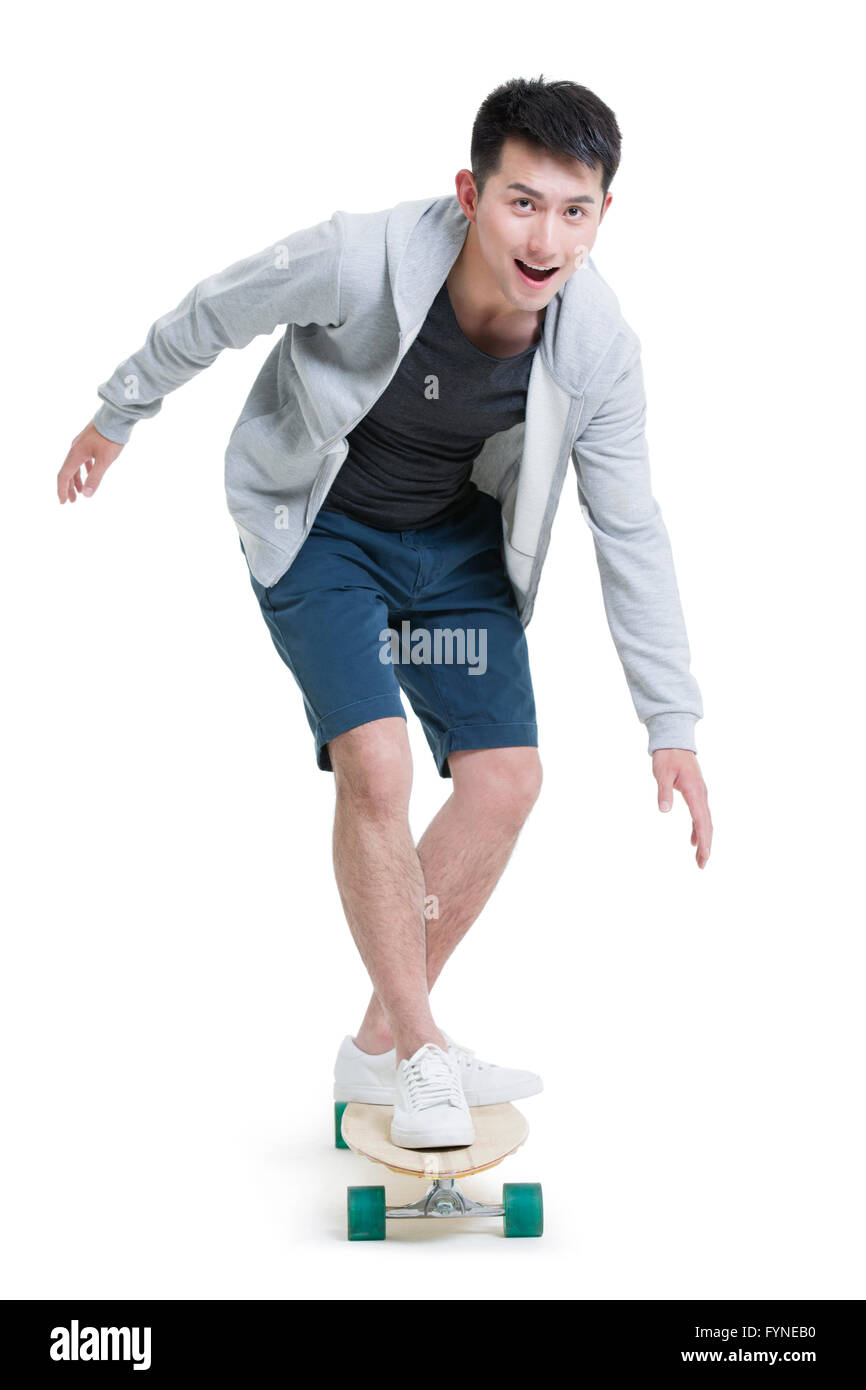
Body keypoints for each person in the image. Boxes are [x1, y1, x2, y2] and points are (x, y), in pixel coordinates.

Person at [56, 75, 713, 1151]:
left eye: (573, 209)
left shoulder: (597, 346)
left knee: (506, 781)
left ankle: (376, 1043)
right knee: (377, 762)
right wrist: (118, 410)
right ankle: (420, 1051)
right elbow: (217, 306)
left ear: (601, 215)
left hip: (452, 552)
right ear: (469, 191)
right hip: (319, 533)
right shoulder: (360, 258)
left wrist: (670, 719)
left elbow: (629, 525)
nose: (544, 237)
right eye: (520, 202)